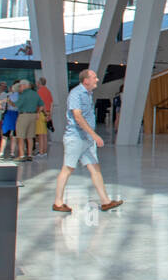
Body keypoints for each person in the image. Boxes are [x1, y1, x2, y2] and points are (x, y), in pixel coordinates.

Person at [53, 69, 123, 213]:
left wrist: (91, 136)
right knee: (67, 169)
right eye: (94, 77)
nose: (97, 80)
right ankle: (58, 202)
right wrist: (95, 135)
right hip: (76, 137)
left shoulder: (88, 94)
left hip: (86, 139)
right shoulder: (76, 94)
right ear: (86, 81)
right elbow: (77, 117)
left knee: (95, 169)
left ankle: (105, 201)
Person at [15, 79, 42, 161]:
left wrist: (9, 102)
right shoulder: (35, 94)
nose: (19, 88)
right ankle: (30, 155)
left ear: (24, 86)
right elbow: (41, 105)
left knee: (21, 136)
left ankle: (22, 156)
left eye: (20, 86)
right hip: (33, 115)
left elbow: (17, 105)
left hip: (24, 115)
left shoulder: (23, 94)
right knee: (30, 137)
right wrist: (38, 113)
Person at [0, 83, 19, 158]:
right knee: (14, 135)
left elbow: (13, 105)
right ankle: (12, 152)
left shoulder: (10, 96)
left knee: (5, 135)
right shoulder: (18, 96)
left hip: (9, 115)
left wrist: (8, 103)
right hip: (15, 115)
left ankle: (1, 152)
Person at [36, 77, 53, 156]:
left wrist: (38, 113)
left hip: (42, 113)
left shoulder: (40, 91)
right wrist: (49, 115)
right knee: (45, 134)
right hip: (48, 113)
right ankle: (45, 151)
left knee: (40, 134)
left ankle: (41, 151)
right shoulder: (48, 91)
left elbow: (41, 104)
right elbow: (51, 103)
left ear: (39, 83)